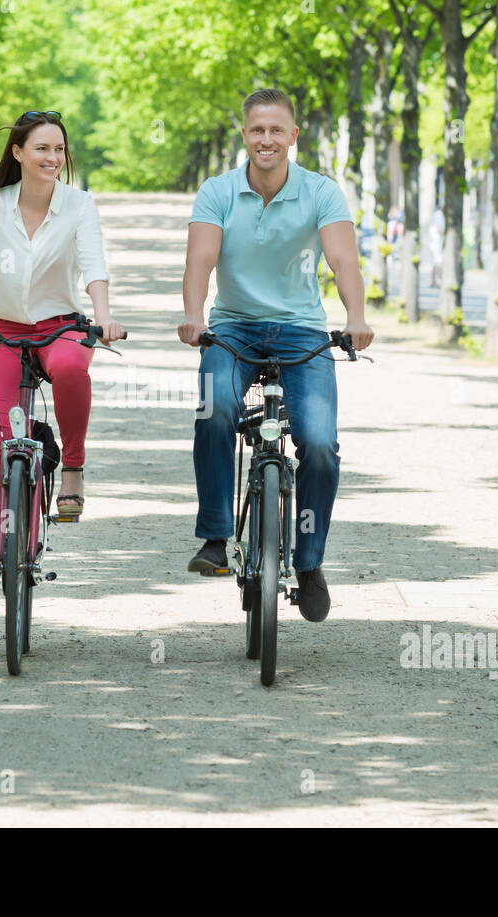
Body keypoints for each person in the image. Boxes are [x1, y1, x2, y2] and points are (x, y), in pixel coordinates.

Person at [177, 88, 374, 623]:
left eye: (276, 130)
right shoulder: (217, 191)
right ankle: (216, 537)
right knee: (214, 407)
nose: (267, 139)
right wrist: (194, 315)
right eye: (257, 130)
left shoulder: (321, 192)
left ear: (293, 136)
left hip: (302, 332)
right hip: (234, 328)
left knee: (319, 442)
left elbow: (343, 260)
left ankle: (309, 563)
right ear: (244, 135)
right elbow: (200, 260)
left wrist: (355, 317)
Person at [0, 111, 125, 613]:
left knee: (71, 369)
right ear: (18, 152)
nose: (53, 158)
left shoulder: (78, 205)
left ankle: (74, 467)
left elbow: (93, 264)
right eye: (42, 149)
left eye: (59, 150)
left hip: (60, 326)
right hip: (2, 330)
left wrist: (103, 319)